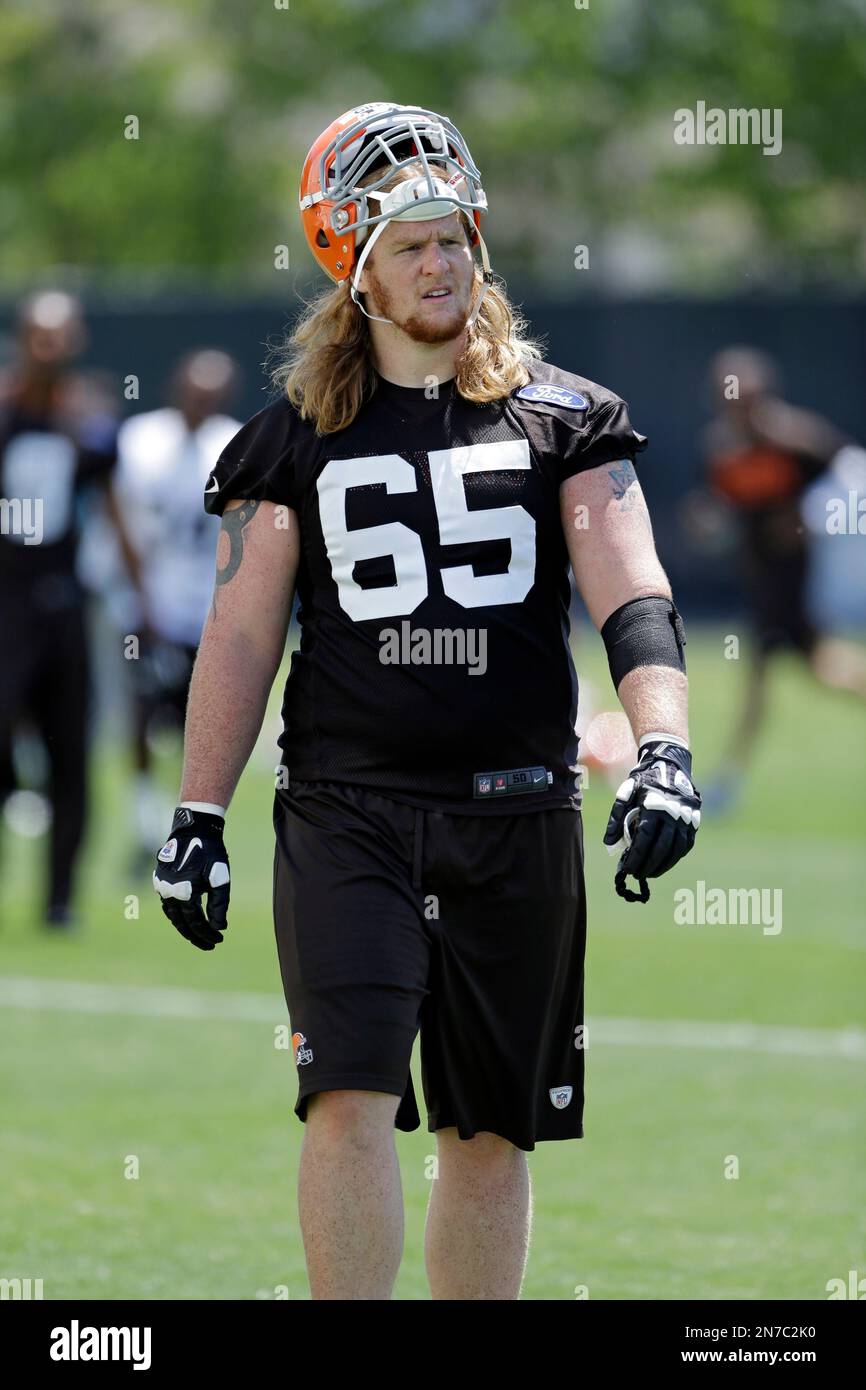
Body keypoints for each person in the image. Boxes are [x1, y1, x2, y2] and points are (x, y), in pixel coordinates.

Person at [152, 103, 701, 1299]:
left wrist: (662, 747)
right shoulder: (290, 439)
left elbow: (634, 597)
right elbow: (241, 637)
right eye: (408, 243)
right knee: (346, 1095)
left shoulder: (565, 418)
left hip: (514, 810)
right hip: (347, 811)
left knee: (488, 1130)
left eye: (453, 235)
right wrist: (196, 814)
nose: (441, 261)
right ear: (354, 266)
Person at [0, 290, 132, 929]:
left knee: (70, 750)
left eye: (62, 336)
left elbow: (113, 504)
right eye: (40, 335)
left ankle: (59, 899)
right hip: (4, 606)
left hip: (64, 605)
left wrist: (141, 593)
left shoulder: (86, 419)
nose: (50, 348)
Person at [700, 347, 866, 809]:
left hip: (799, 582)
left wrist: (805, 518)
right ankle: (728, 779)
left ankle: (727, 781)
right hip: (764, 583)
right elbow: (724, 505)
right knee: (821, 667)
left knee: (772, 678)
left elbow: (852, 479)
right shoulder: (725, 452)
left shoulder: (797, 440)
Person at [111, 350, 241, 867]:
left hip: (207, 607)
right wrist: (135, 595)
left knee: (199, 717)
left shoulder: (235, 443)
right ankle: (145, 819)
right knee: (141, 714)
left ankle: (188, 822)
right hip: (144, 602)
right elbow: (117, 520)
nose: (201, 401)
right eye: (195, 389)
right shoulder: (140, 440)